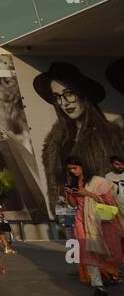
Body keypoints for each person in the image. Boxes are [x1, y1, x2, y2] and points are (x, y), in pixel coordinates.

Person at [36, 63, 124, 208]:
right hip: (70, 214)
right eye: (57, 96)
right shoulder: (57, 140)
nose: (64, 102)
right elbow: (55, 184)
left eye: (69, 93)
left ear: (82, 94)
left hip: (98, 212)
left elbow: (113, 182)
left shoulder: (107, 135)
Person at [64, 156, 123, 296]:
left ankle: (110, 276)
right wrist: (68, 194)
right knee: (87, 252)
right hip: (81, 220)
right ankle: (99, 287)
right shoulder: (72, 182)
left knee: (111, 251)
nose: (73, 171)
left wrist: (87, 193)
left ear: (83, 166)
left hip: (100, 221)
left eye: (75, 168)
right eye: (70, 169)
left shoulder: (99, 181)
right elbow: (73, 204)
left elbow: (110, 204)